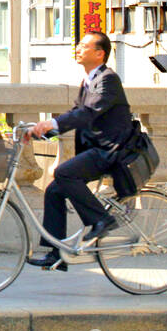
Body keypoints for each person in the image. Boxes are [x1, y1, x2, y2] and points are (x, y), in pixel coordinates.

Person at [24, 31, 138, 271]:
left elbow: (88, 113)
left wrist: (52, 123)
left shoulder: (108, 79)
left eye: (84, 46)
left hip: (111, 151)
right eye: (79, 45)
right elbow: (75, 116)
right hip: (97, 149)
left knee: (63, 173)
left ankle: (101, 219)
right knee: (54, 190)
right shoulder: (88, 80)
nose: (78, 48)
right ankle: (55, 254)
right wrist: (40, 131)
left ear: (100, 53)